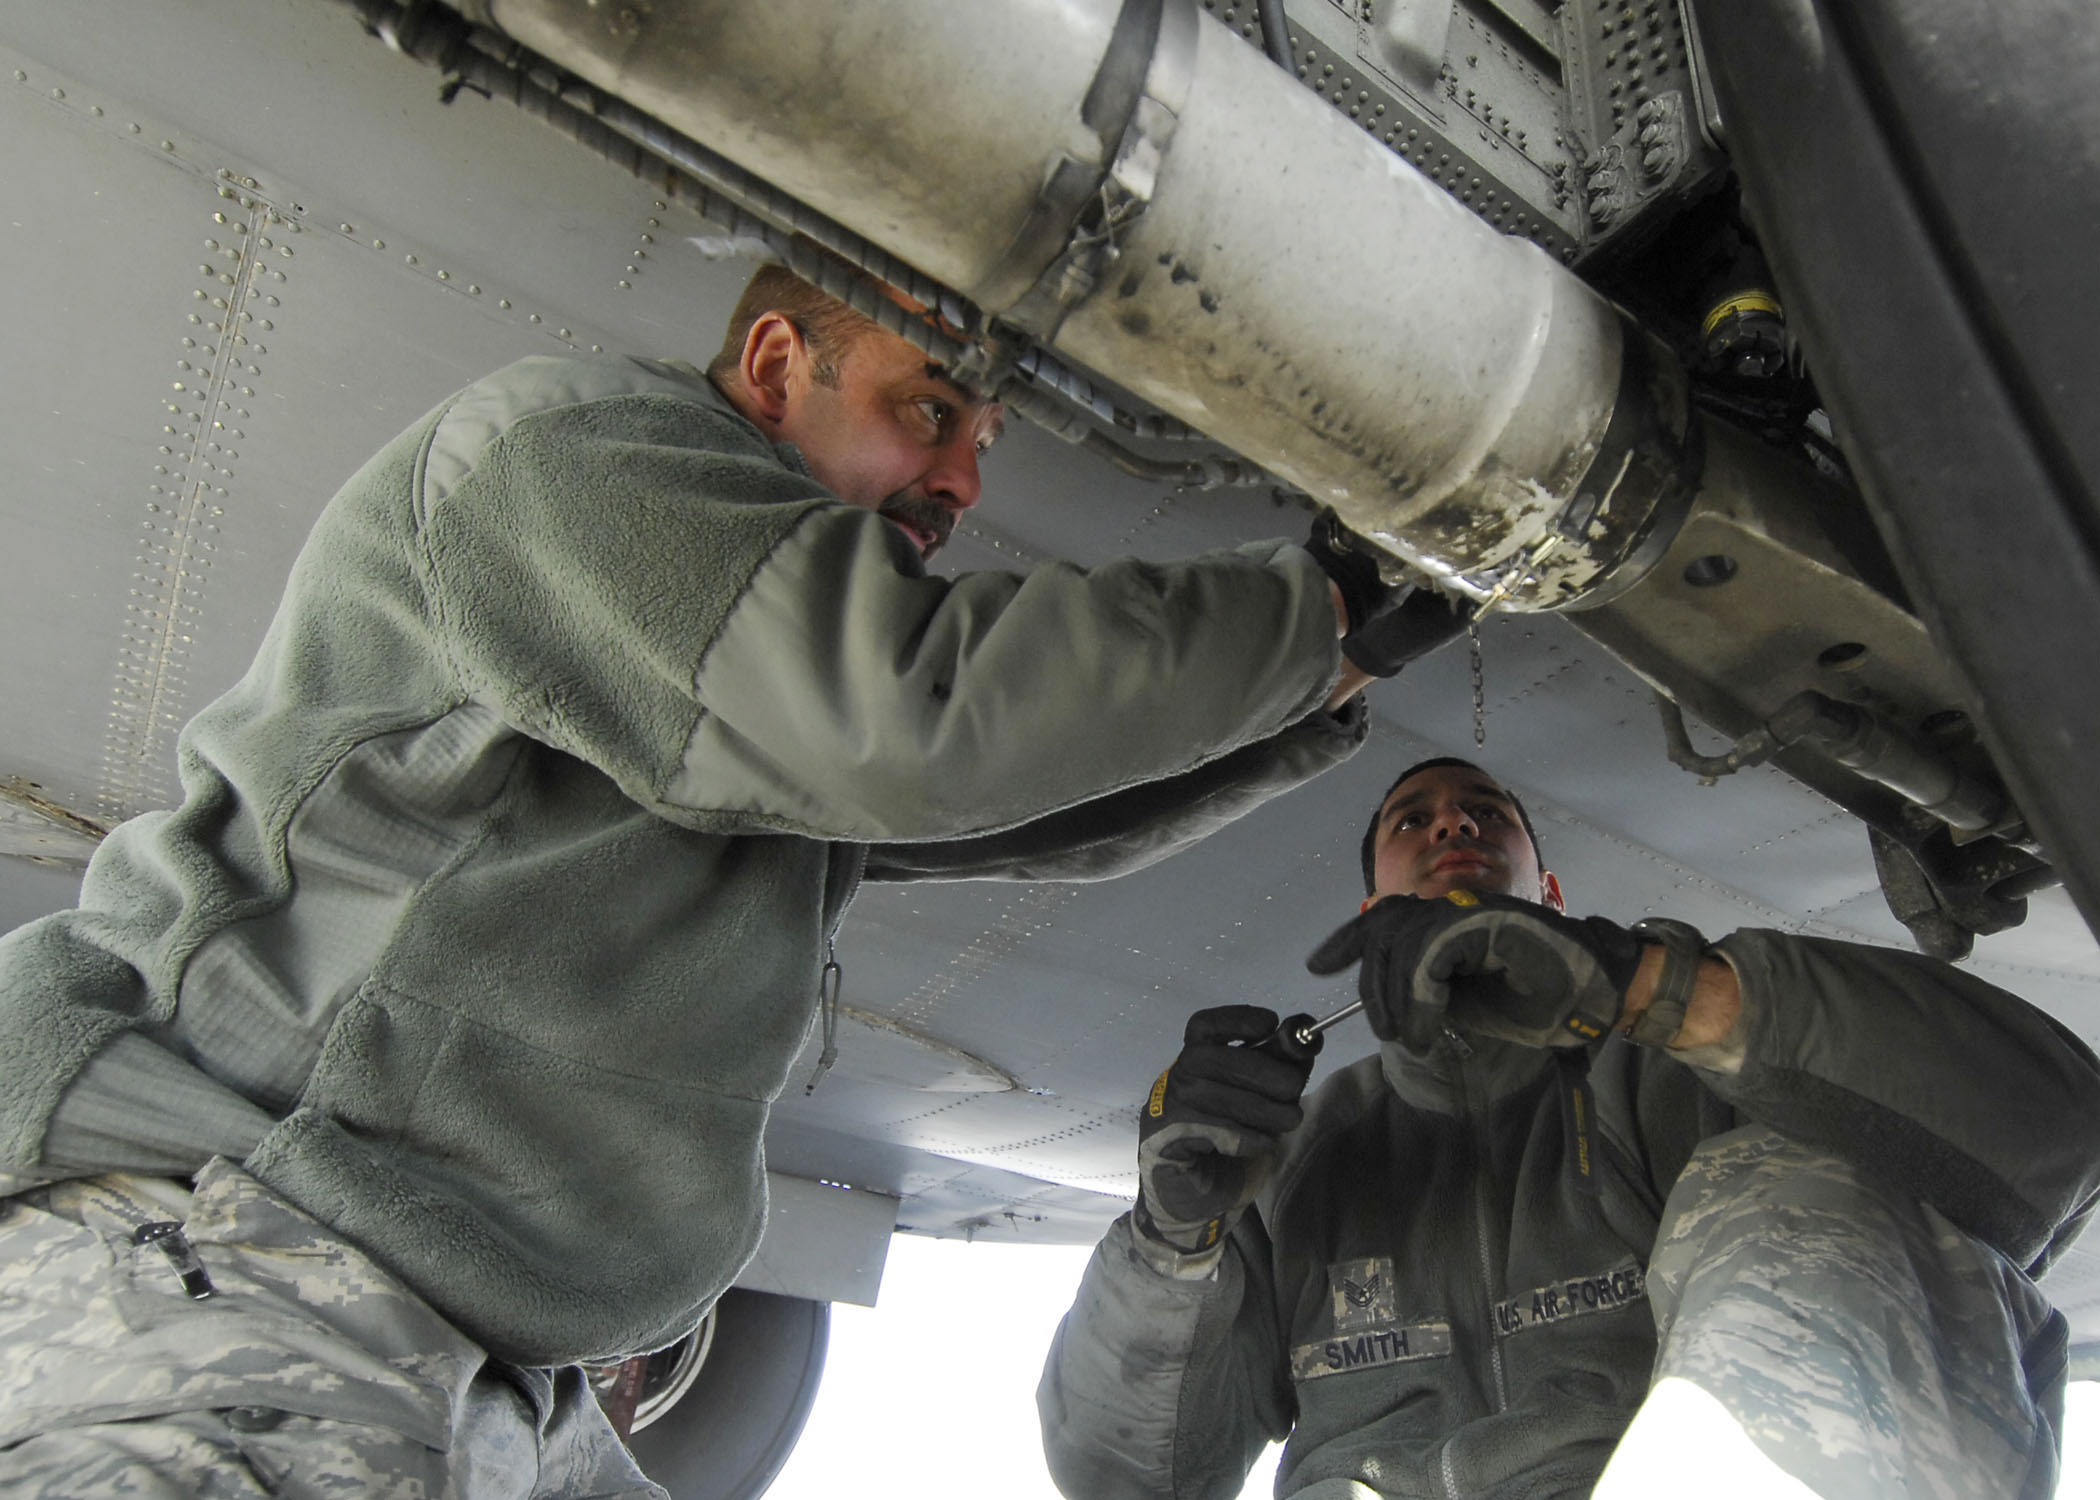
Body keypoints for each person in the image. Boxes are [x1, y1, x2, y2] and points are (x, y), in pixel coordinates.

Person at [0, 261, 1469, 1494]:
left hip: (460, 1336)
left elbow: (1017, 804)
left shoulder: (728, 718)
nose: (962, 480)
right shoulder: (577, 454)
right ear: (775, 364)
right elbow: (908, 724)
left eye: (981, 441)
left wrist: (1338, 666)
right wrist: (1323, 597)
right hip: (228, 1237)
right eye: (930, 410)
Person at [1040, 755, 2100, 1500]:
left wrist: (1656, 987)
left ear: (1547, 893)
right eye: (1413, 821)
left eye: (1484, 815)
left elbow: (2052, 1134)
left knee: (1809, 1176)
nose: (1451, 826)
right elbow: (1129, 1483)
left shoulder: (1682, 1080)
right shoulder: (1305, 1158)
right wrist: (1169, 1241)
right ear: (1372, 919)